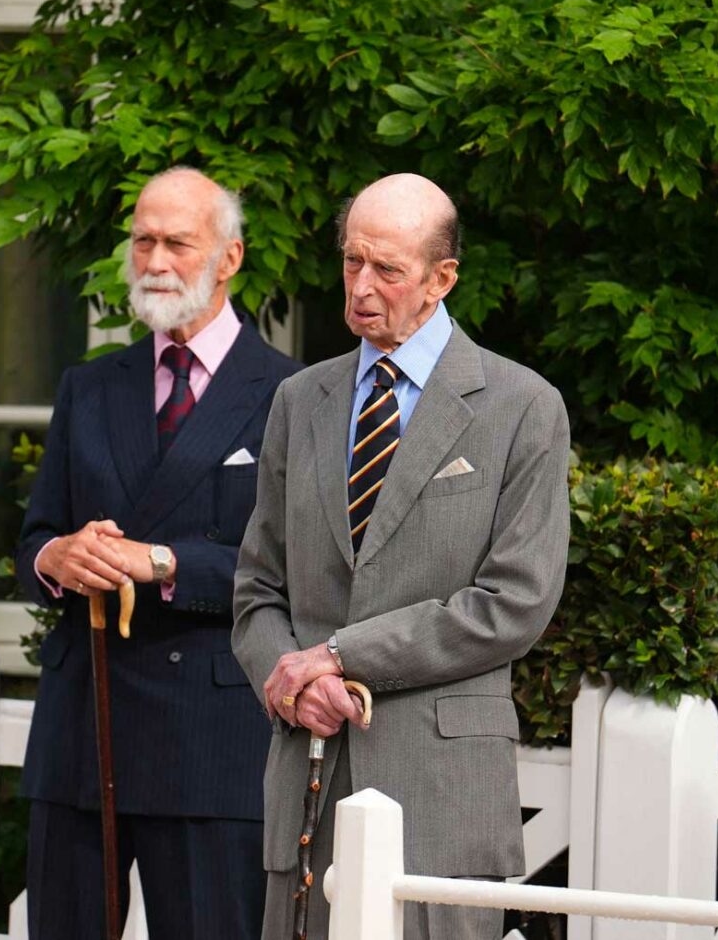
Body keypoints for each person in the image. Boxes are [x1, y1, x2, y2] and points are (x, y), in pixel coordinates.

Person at [231, 173, 571, 940]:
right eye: (352, 261)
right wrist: (291, 685)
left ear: (441, 278)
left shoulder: (523, 406)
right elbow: (257, 590)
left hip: (442, 804)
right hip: (310, 787)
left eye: (387, 269)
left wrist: (338, 656)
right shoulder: (300, 401)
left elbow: (514, 603)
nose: (361, 287)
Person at [15, 166, 302, 939]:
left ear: (230, 258)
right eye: (143, 241)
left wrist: (164, 563)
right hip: (85, 728)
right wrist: (58, 558)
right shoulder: (89, 386)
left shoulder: (292, 394)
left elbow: (301, 575)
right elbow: (33, 540)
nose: (156, 261)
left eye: (178, 243)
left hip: (212, 740)